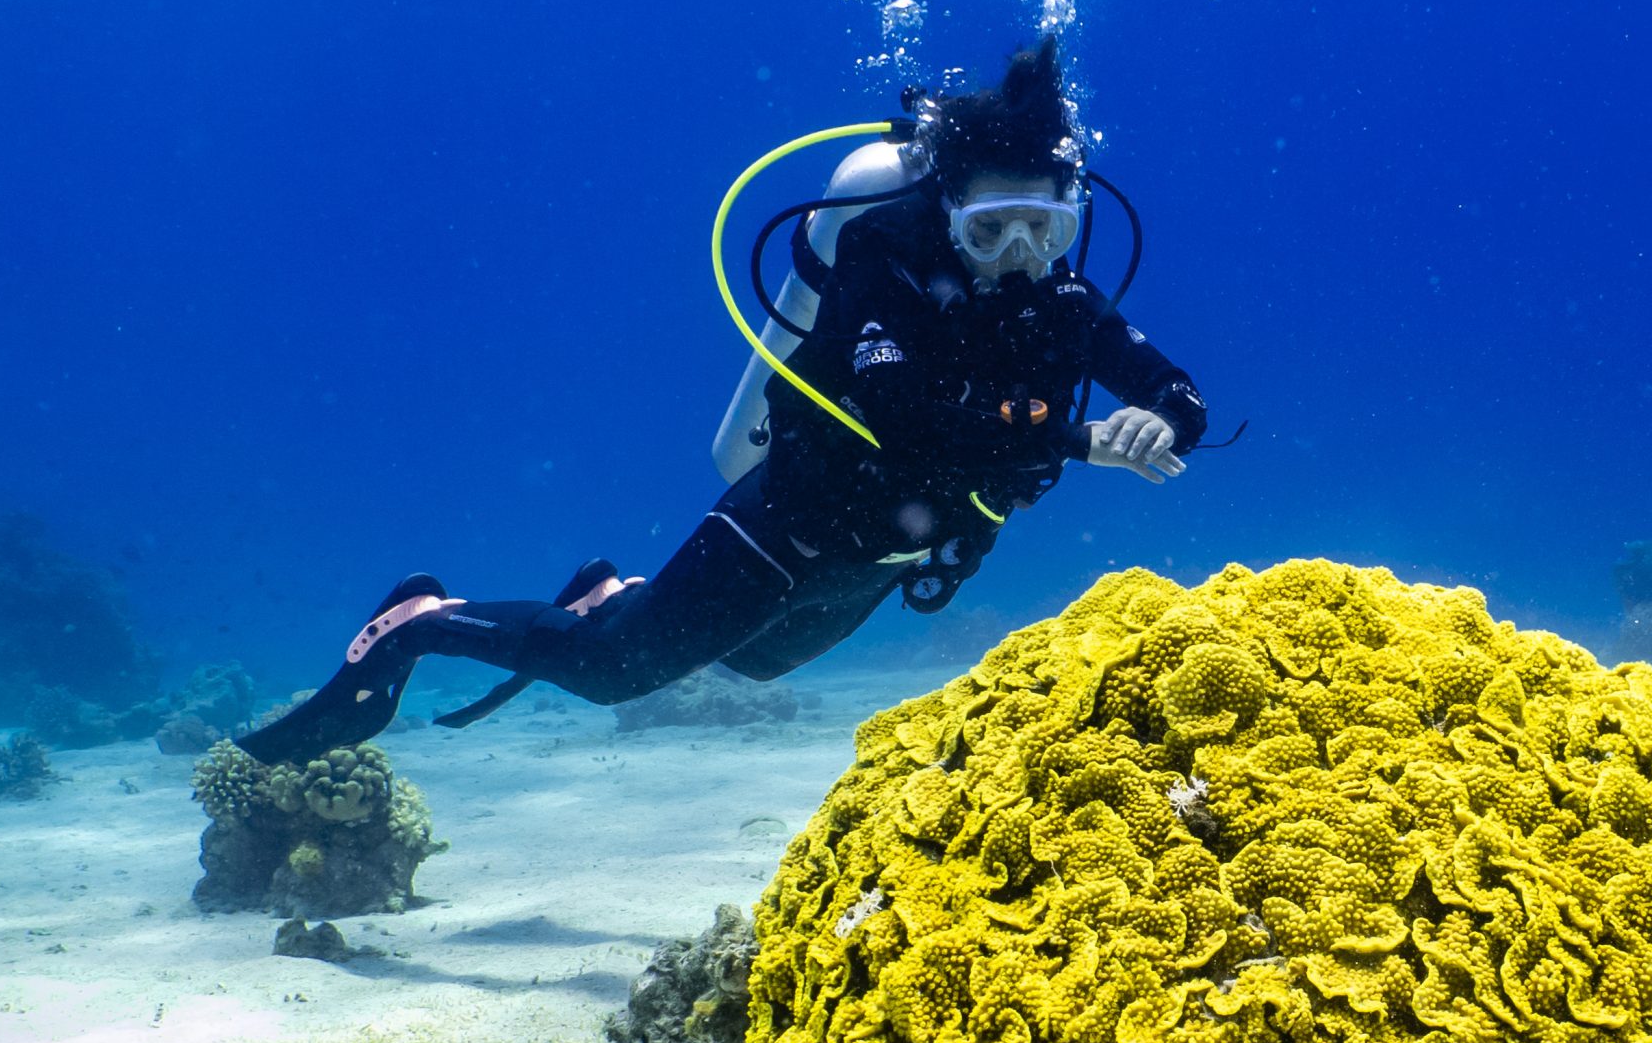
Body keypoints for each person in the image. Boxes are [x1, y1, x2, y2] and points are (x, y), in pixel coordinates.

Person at [241, 39, 1204, 767]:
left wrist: (1167, 416)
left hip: (888, 553)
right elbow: (906, 419)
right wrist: (1083, 440)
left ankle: (610, 596)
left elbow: (1171, 386)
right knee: (612, 674)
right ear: (949, 210)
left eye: (1045, 226)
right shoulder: (880, 259)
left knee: (747, 668)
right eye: (992, 229)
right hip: (791, 524)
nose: (1022, 255)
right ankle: (420, 618)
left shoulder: (1060, 298)